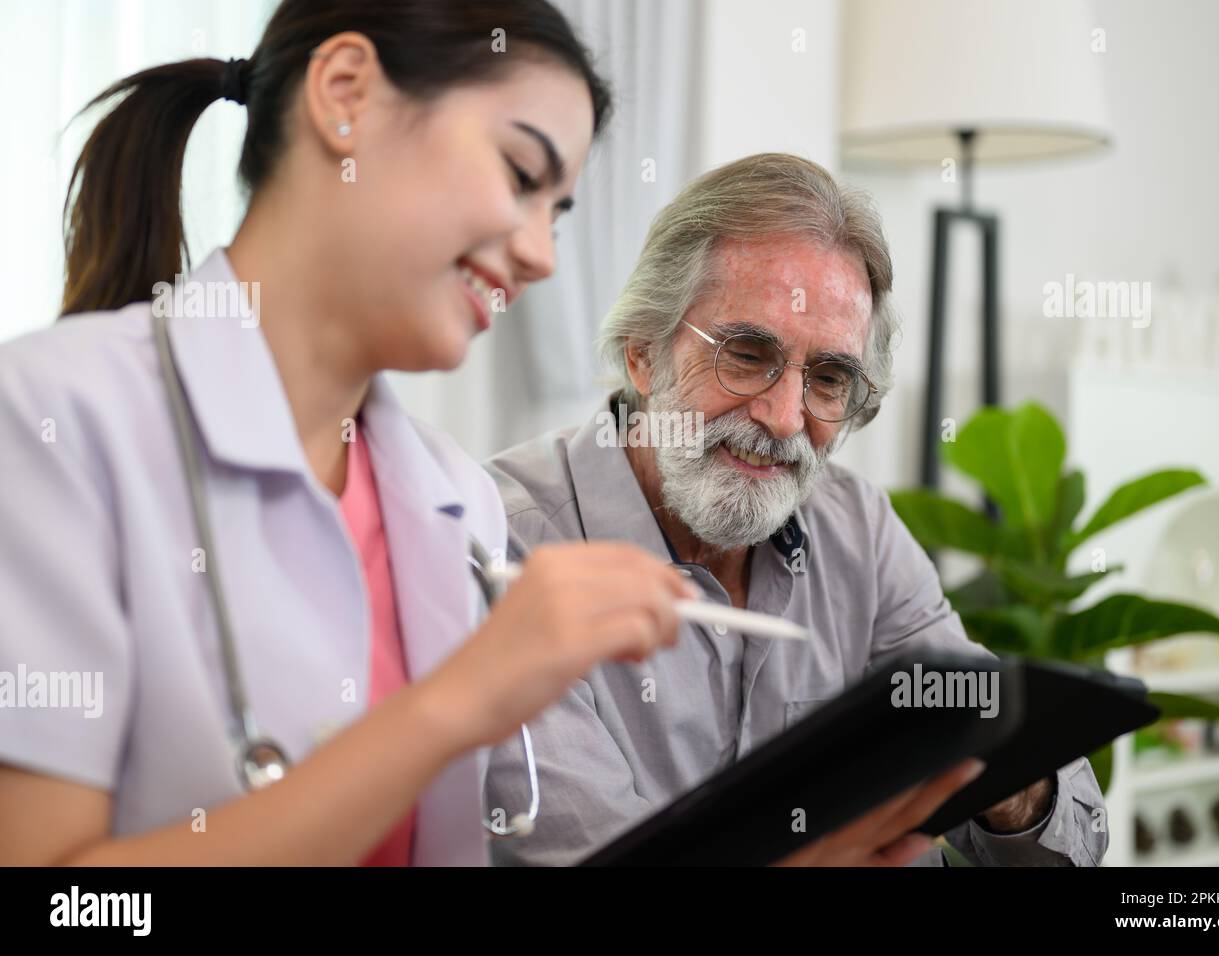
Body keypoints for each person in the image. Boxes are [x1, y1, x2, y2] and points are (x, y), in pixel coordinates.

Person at [0, 0, 703, 866]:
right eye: (522, 173)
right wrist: (455, 704)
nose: (543, 256)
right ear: (344, 94)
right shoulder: (50, 417)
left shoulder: (460, 503)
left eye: (557, 215)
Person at [484, 153, 1107, 867]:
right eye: (746, 355)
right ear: (642, 354)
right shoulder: (506, 548)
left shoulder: (856, 529)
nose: (784, 418)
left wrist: (1011, 780)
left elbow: (1064, 849)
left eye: (829, 377)